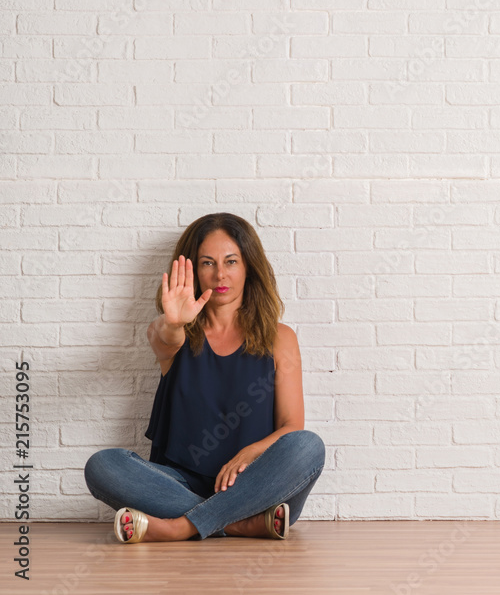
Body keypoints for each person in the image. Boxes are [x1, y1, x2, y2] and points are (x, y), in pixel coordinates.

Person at [84, 212, 326, 542]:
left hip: (256, 485)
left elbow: (291, 426)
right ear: (194, 270)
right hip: (176, 484)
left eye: (231, 261)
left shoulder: (280, 337)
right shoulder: (172, 332)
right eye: (207, 263)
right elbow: (165, 339)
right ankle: (237, 524)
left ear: (248, 266)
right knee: (103, 466)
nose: (220, 274)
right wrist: (173, 323)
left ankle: (180, 526)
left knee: (308, 446)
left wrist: (249, 453)